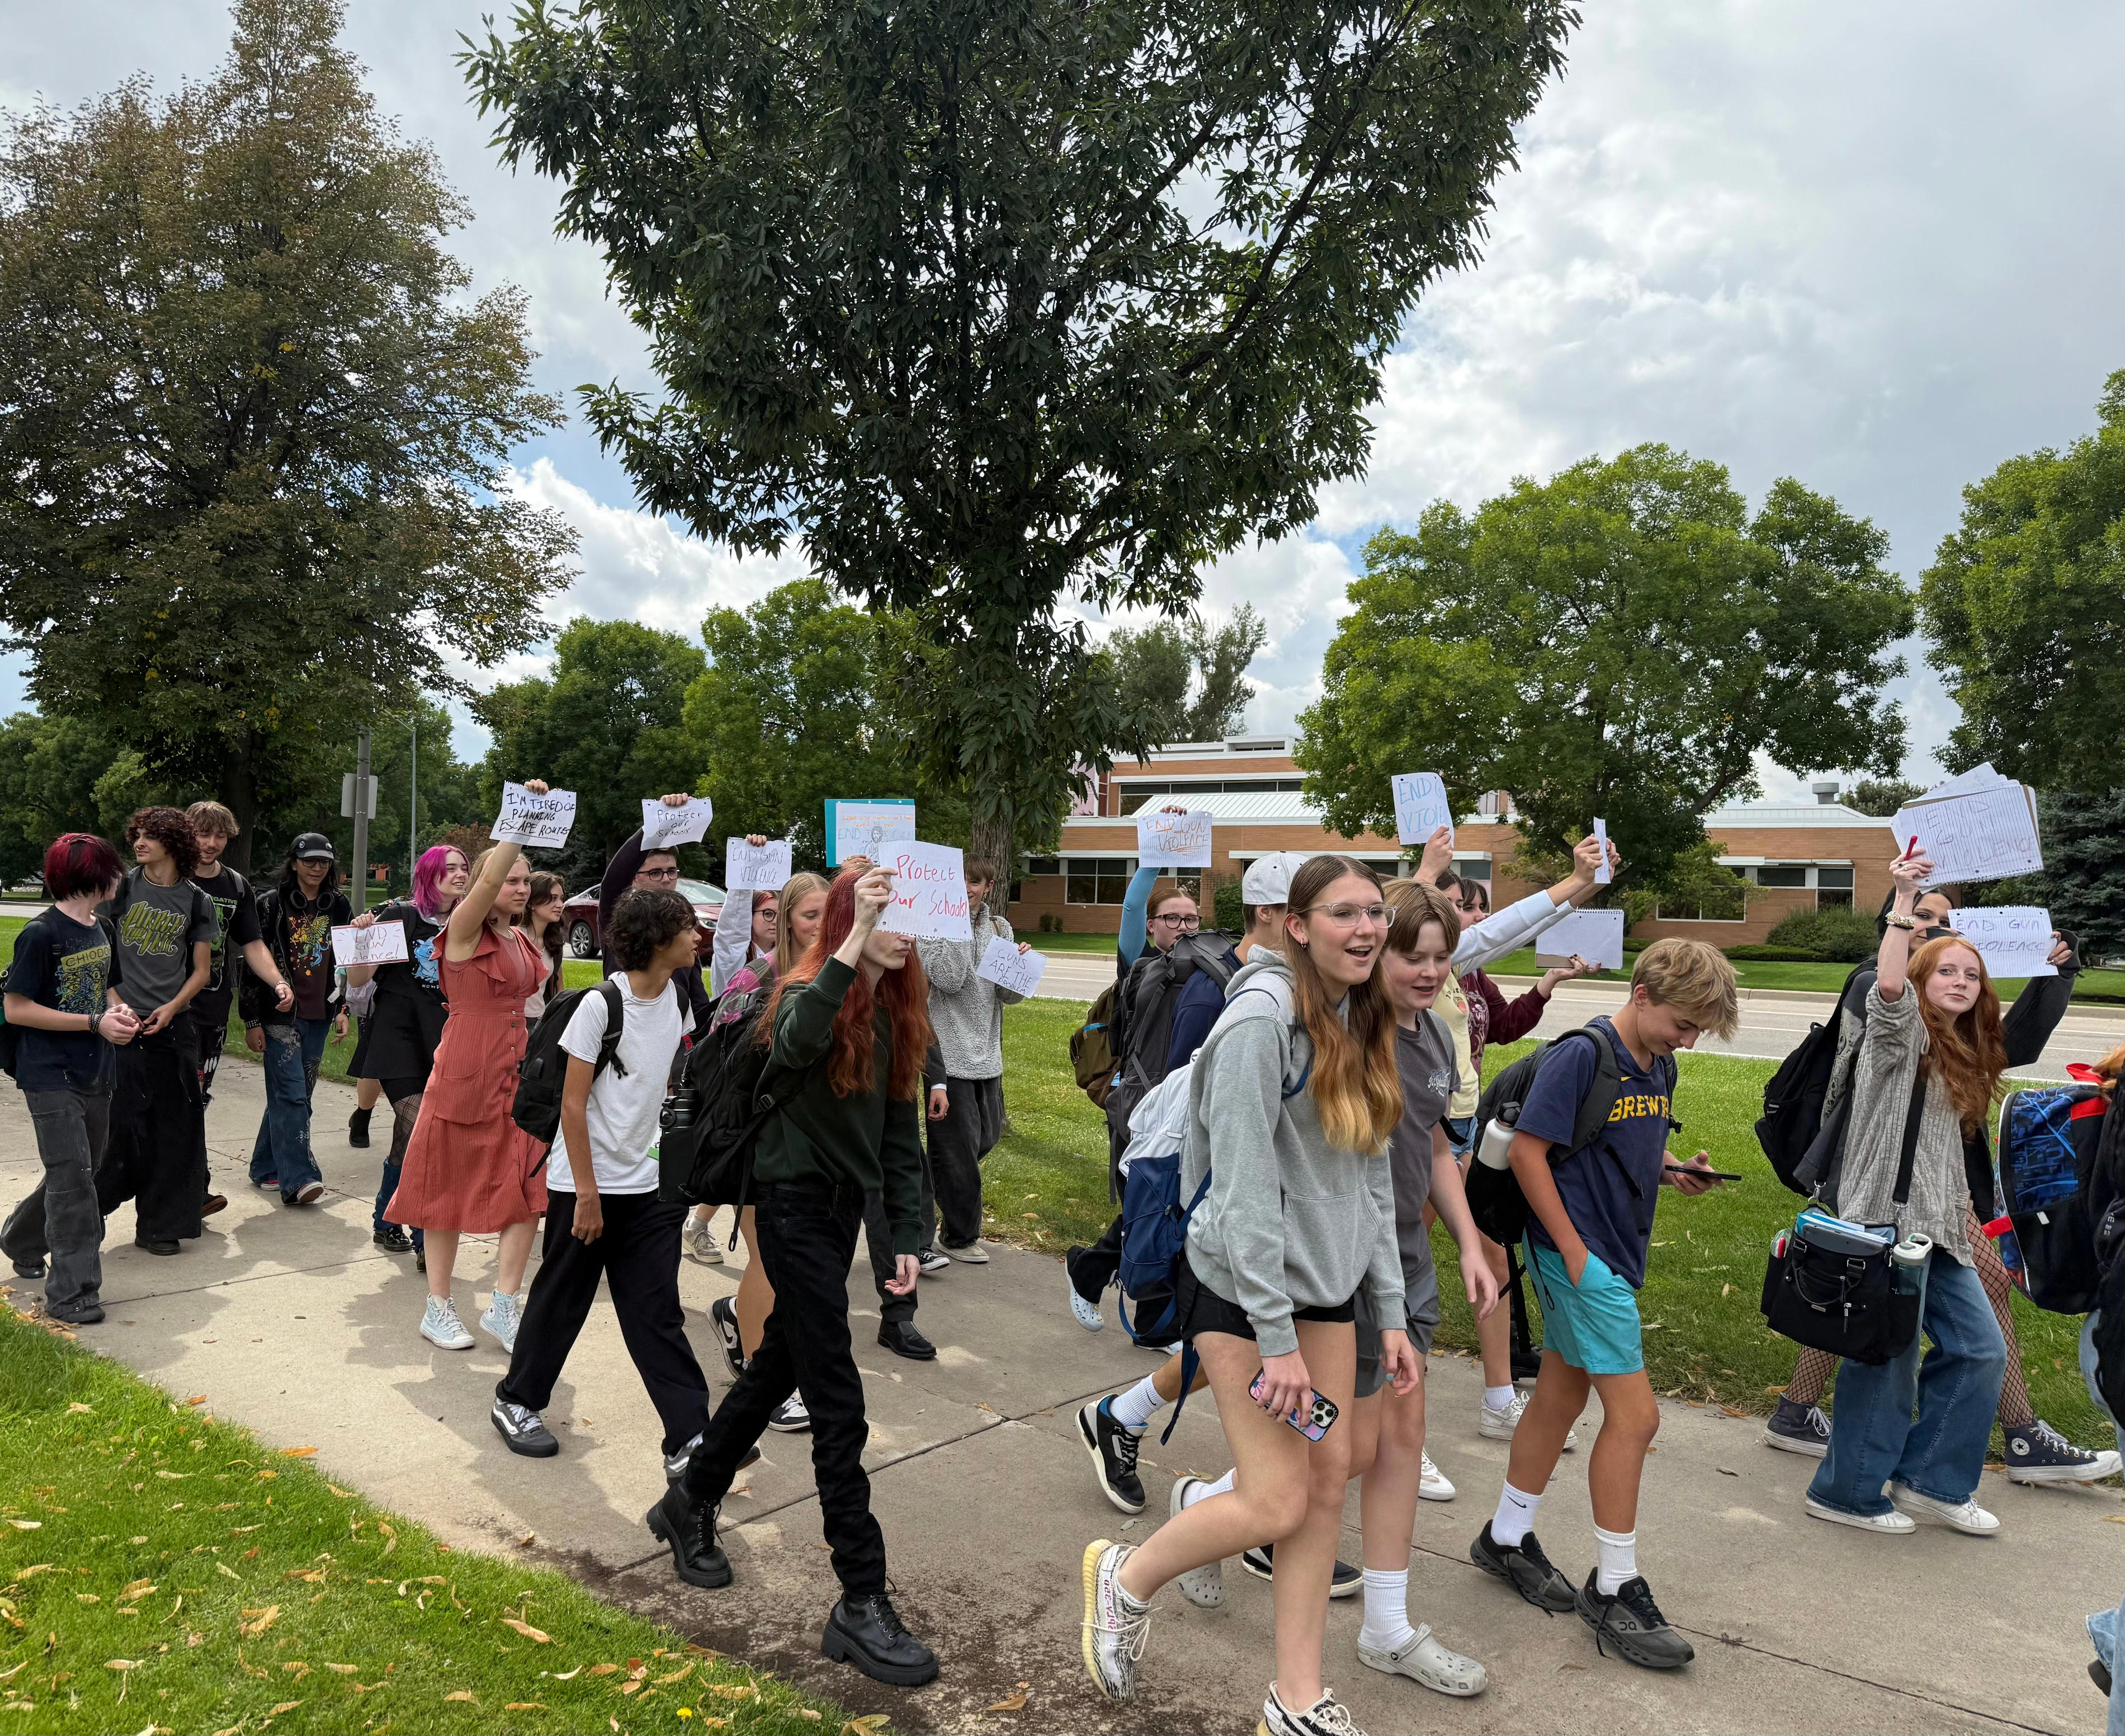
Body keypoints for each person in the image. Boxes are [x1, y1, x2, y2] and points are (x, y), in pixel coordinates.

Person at [1081, 855, 1416, 1736]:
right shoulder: (1258, 1023)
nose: (1366, 929)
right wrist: (1276, 1340)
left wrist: (1391, 1316)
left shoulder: (1359, 1015)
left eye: (1375, 912)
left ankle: (1296, 1699)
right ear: (1295, 925)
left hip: (1327, 1291)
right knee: (1277, 1500)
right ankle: (1125, 1579)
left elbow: (1370, 1186)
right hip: (1240, 1289)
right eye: (1343, 913)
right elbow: (1240, 1192)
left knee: (1328, 1478)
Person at [648, 864, 939, 1690]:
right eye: (888, 914)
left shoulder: (896, 1010)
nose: (903, 931)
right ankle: (861, 1594)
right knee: (837, 1400)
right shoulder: (807, 989)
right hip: (790, 1203)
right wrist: (849, 936)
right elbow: (802, 1041)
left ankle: (689, 1499)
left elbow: (896, 1135)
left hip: (843, 1210)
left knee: (780, 1365)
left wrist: (908, 1235)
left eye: (911, 918)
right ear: (851, 918)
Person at [1765, 887, 2113, 1483]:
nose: (1935, 929)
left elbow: (2006, 1047)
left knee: (1862, 1300)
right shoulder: (1876, 987)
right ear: (1894, 926)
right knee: (1876, 1312)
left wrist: (2055, 973)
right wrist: (1903, 904)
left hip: (1932, 1184)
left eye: (1947, 924)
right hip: (1872, 1180)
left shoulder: (1953, 1022)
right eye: (1923, 920)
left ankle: (1802, 1415)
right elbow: (1891, 995)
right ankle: (2004, 1440)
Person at [1469, 938, 1737, 1672]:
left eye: (1698, 1031)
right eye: (1683, 1024)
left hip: (1610, 1253)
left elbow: (1626, 1146)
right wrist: (1573, 1250)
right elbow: (1527, 1152)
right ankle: (1615, 1584)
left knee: (1557, 1398)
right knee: (1638, 1418)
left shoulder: (1661, 1063)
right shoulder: (1582, 1057)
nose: (1688, 1040)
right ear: (1643, 996)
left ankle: (1505, 1536)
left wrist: (1678, 1171)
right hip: (1582, 1259)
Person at [1803, 850, 2012, 1537]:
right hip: (1884, 1225)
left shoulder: (1964, 1049)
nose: (1959, 979)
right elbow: (1887, 988)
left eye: (1971, 973)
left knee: (1980, 1350)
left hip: (1939, 1229)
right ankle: (1848, 1491)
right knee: (1884, 1362)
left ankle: (1929, 1479)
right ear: (1924, 978)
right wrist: (1901, 902)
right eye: (1946, 970)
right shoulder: (1900, 1036)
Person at [492, 886, 717, 1477]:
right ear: (658, 939)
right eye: (687, 927)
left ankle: (692, 1435)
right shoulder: (600, 1005)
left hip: (651, 1189)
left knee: (655, 1310)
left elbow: (670, 1086)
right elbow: (572, 1106)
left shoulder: (677, 998)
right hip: (585, 1185)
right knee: (562, 1301)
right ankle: (516, 1400)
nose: (698, 937)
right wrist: (587, 1195)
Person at [1415, 829, 1615, 1447]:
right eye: (1454, 906)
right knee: (1397, 1279)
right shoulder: (1399, 965)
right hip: (1409, 1139)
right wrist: (1426, 869)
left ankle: (1498, 1398)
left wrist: (1581, 881)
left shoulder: (1456, 966)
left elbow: (1500, 931)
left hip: (1456, 1134)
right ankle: (1393, 1428)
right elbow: (1415, 923)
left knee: (1491, 1256)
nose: (1467, 921)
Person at [386, 806, 554, 1353]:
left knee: (529, 1189)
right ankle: (438, 1308)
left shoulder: (524, 942)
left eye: (528, 879)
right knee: (446, 1188)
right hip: (465, 1068)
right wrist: (518, 830)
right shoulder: (462, 931)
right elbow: (483, 883)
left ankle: (505, 1306)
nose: (522, 887)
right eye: (511, 878)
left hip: (516, 1070)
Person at [700, 861, 835, 1431]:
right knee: (769, 1263)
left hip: (810, 1147)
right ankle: (764, 1380)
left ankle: (738, 1320)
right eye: (811, 915)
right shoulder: (758, 978)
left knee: (787, 1267)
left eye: (831, 915)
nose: (821, 925)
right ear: (784, 919)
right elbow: (720, 1066)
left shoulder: (836, 973)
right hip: (755, 1143)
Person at [1, 834, 141, 1323]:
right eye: (113, 868)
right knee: (74, 1181)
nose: (120, 877)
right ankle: (71, 1294)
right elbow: (16, 1009)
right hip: (48, 1075)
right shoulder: (41, 935)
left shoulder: (101, 928)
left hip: (96, 1070)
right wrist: (92, 1023)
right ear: (92, 875)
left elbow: (106, 989)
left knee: (82, 1171)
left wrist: (119, 1013)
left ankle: (19, 1238)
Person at [97, 807, 217, 1257]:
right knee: (118, 1128)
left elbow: (201, 971)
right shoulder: (121, 888)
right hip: (119, 1024)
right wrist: (116, 1005)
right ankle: (88, 1216)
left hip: (172, 1026)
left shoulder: (197, 901)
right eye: (137, 835)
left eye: (151, 836)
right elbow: (96, 948)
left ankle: (159, 1225)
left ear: (174, 842)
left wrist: (171, 1008)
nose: (140, 843)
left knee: (177, 1128)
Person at [346, 844, 469, 1263]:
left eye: (464, 868)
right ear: (429, 873)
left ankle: (384, 1219)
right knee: (421, 1129)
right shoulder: (401, 914)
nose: (459, 874)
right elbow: (360, 982)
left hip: (445, 1037)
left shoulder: (469, 922)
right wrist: (362, 941)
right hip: (397, 1035)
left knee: (408, 1137)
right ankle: (423, 1238)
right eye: (449, 868)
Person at [917, 856, 1031, 1263]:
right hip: (947, 1053)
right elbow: (949, 979)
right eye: (959, 880)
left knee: (986, 1139)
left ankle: (920, 1192)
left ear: (988, 887)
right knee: (957, 1152)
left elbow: (1010, 997)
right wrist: (958, 925)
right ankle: (959, 1236)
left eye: (974, 882)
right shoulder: (931, 926)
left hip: (988, 1054)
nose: (966, 888)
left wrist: (1018, 966)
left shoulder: (1000, 927)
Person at [184, 800, 292, 1216]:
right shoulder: (165, 879)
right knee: (167, 1101)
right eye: (202, 833)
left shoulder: (235, 886)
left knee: (197, 1098)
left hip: (211, 1010)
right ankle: (183, 1189)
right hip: (161, 1010)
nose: (211, 844)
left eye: (220, 836)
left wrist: (278, 980)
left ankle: (193, 1189)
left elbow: (251, 943)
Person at [240, 833, 351, 1207]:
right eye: (310, 861)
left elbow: (347, 962)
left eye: (324, 862)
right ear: (293, 863)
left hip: (320, 1013)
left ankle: (264, 1166)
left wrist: (344, 1008)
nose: (317, 868)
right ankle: (299, 1179)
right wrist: (252, 1018)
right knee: (292, 1096)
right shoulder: (269, 905)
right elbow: (252, 964)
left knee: (295, 1097)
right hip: (279, 1014)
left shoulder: (338, 905)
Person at [599, 794, 711, 1031]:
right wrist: (654, 827)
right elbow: (614, 879)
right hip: (626, 1031)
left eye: (672, 871)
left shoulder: (683, 927)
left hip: (674, 1042)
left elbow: (698, 1001)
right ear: (635, 879)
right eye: (655, 873)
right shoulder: (622, 917)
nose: (667, 879)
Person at [518, 871, 568, 1019]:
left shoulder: (554, 943)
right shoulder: (514, 936)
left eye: (561, 899)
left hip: (540, 1023)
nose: (560, 905)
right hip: (511, 1023)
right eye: (553, 899)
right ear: (532, 903)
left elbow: (559, 991)